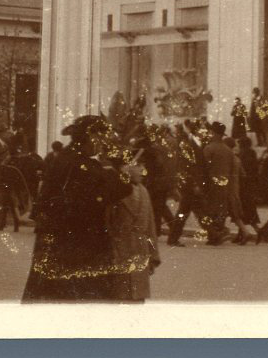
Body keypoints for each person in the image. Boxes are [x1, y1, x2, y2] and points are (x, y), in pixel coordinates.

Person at [22, 115, 134, 302]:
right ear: (90, 137)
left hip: (59, 241)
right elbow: (107, 190)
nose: (101, 144)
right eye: (100, 138)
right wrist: (125, 176)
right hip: (76, 246)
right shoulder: (79, 164)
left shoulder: (67, 157)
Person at [106, 162, 160, 303]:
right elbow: (108, 224)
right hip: (120, 249)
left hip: (140, 250)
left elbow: (150, 225)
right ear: (125, 168)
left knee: (138, 296)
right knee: (121, 295)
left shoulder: (144, 192)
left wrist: (153, 255)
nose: (143, 170)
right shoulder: (115, 192)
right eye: (138, 166)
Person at [200, 122, 244, 245]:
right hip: (225, 186)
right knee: (220, 210)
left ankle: (216, 235)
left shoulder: (209, 149)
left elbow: (203, 169)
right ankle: (217, 234)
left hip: (211, 185)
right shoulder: (228, 151)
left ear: (213, 133)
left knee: (209, 210)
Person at [166, 121, 207, 246]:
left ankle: (214, 234)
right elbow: (189, 167)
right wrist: (194, 184)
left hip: (188, 183)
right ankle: (173, 238)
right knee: (185, 211)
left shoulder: (188, 143)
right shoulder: (188, 144)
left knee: (197, 209)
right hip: (189, 184)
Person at [0, 152, 34, 232]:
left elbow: (1, 180)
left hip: (6, 190)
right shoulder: (13, 168)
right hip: (11, 189)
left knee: (6, 207)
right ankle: (13, 225)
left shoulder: (6, 168)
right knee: (11, 207)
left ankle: (3, 225)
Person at [235, 134, 263, 239]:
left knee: (241, 210)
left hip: (243, 186)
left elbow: (241, 171)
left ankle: (243, 233)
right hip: (250, 186)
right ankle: (245, 233)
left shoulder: (242, 155)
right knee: (247, 210)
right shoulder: (252, 153)